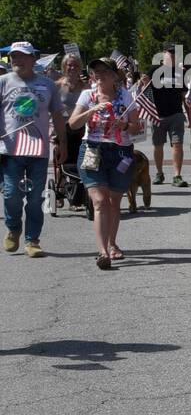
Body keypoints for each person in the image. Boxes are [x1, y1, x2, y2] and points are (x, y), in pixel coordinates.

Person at [67, 57, 144, 270]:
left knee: (114, 202)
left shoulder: (126, 96)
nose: (98, 75)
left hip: (120, 152)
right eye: (95, 71)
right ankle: (102, 252)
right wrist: (91, 110)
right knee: (100, 201)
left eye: (103, 71)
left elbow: (138, 126)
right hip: (93, 150)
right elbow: (73, 123)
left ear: (113, 75)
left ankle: (112, 243)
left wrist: (125, 125)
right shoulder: (87, 95)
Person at [1, 42, 65, 258]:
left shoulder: (47, 85)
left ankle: (32, 240)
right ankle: (13, 228)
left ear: (33, 59)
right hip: (10, 150)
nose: (16, 60)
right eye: (13, 57)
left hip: (38, 150)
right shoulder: (3, 82)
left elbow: (57, 115)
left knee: (36, 198)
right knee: (11, 194)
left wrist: (62, 143)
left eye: (22, 56)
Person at [55, 53, 89, 208]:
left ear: (80, 67)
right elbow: (51, 110)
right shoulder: (57, 86)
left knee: (79, 161)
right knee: (62, 160)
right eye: (69, 64)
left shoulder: (86, 86)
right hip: (62, 128)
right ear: (64, 66)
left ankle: (76, 195)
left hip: (81, 128)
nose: (72, 67)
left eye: (75, 64)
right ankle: (59, 190)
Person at [150, 48, 188, 186]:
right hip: (157, 114)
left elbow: (184, 96)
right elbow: (145, 90)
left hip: (176, 113)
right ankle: (159, 174)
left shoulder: (180, 74)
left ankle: (177, 176)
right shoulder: (154, 71)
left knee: (177, 144)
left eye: (174, 55)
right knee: (158, 145)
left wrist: (189, 115)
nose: (172, 57)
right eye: (169, 54)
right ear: (163, 57)